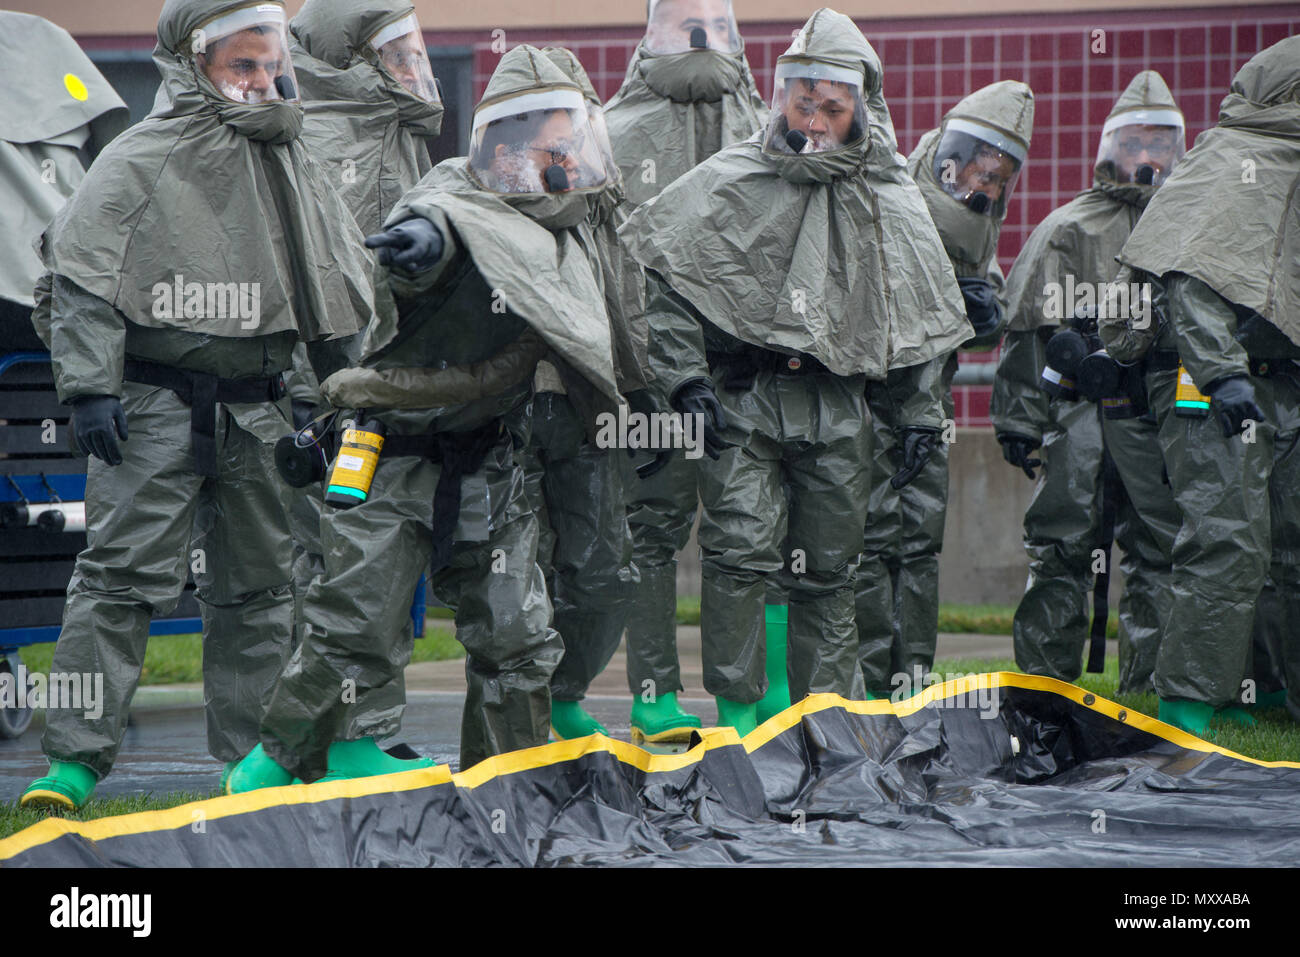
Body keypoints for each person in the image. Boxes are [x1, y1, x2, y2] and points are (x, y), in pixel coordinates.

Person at [226, 45, 625, 790]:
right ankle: (270, 767)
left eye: (576, 141)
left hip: (488, 455)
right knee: (355, 627)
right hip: (388, 449)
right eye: (553, 145)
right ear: (505, 145)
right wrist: (422, 252)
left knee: (517, 636)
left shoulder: (571, 229)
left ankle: (506, 790)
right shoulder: (454, 197)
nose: (569, 160)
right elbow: (438, 223)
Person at [20, 0, 374, 810]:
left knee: (258, 594)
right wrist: (89, 389)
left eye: (269, 64)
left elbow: (333, 289)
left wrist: (344, 394)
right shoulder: (142, 157)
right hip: (152, 409)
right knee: (117, 583)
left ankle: (251, 764)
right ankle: (70, 765)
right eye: (240, 66)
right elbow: (82, 277)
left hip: (261, 408)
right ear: (192, 64)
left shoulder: (291, 157)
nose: (260, 83)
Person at [620, 8, 969, 736]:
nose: (811, 118)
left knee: (831, 569)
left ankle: (822, 723)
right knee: (739, 553)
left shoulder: (891, 200)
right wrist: (685, 381)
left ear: (860, 112)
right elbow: (670, 278)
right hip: (744, 399)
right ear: (779, 94)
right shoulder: (734, 176)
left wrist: (916, 415)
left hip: (838, 406)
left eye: (830, 107)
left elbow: (916, 319)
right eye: (800, 100)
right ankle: (743, 719)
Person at [1102, 36, 1300, 734]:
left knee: (1286, 543)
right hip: (1200, 375)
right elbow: (1189, 280)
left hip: (1275, 378)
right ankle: (1188, 705)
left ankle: (1268, 693)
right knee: (1226, 535)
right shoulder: (1230, 161)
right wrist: (1220, 374)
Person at [603, 0, 768, 743]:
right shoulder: (611, 136)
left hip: (748, 371)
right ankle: (653, 693)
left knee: (754, 532)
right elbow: (619, 263)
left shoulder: (766, 130)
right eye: (682, 22)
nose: (702, 36)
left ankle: (753, 695)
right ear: (649, 34)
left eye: (718, 23)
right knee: (651, 532)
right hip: (645, 374)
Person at [990, 70, 1186, 685]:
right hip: (1075, 418)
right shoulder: (1069, 228)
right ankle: (1045, 689)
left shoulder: (1189, 228)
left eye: (1160, 143)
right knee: (1060, 548)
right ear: (1111, 149)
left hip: (1158, 419)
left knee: (1161, 549)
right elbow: (1027, 334)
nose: (1147, 157)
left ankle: (1150, 692)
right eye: (1134, 143)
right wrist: (1017, 421)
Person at [280, 0, 444, 719]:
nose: (414, 66)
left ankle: (366, 727)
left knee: (378, 561)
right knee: (328, 561)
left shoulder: (399, 130)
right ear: (352, 58)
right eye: (396, 51)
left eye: (416, 48)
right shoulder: (314, 135)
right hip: (327, 387)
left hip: (388, 382)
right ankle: (311, 732)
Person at [857, 80, 1033, 697]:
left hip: (928, 415)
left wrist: (987, 317)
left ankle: (909, 687)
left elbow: (988, 308)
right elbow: (872, 307)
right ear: (949, 156)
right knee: (871, 547)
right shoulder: (892, 202)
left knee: (917, 547)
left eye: (999, 179)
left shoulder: (974, 236)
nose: (984, 188)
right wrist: (956, 307)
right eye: (981, 172)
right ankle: (865, 693)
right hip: (872, 410)